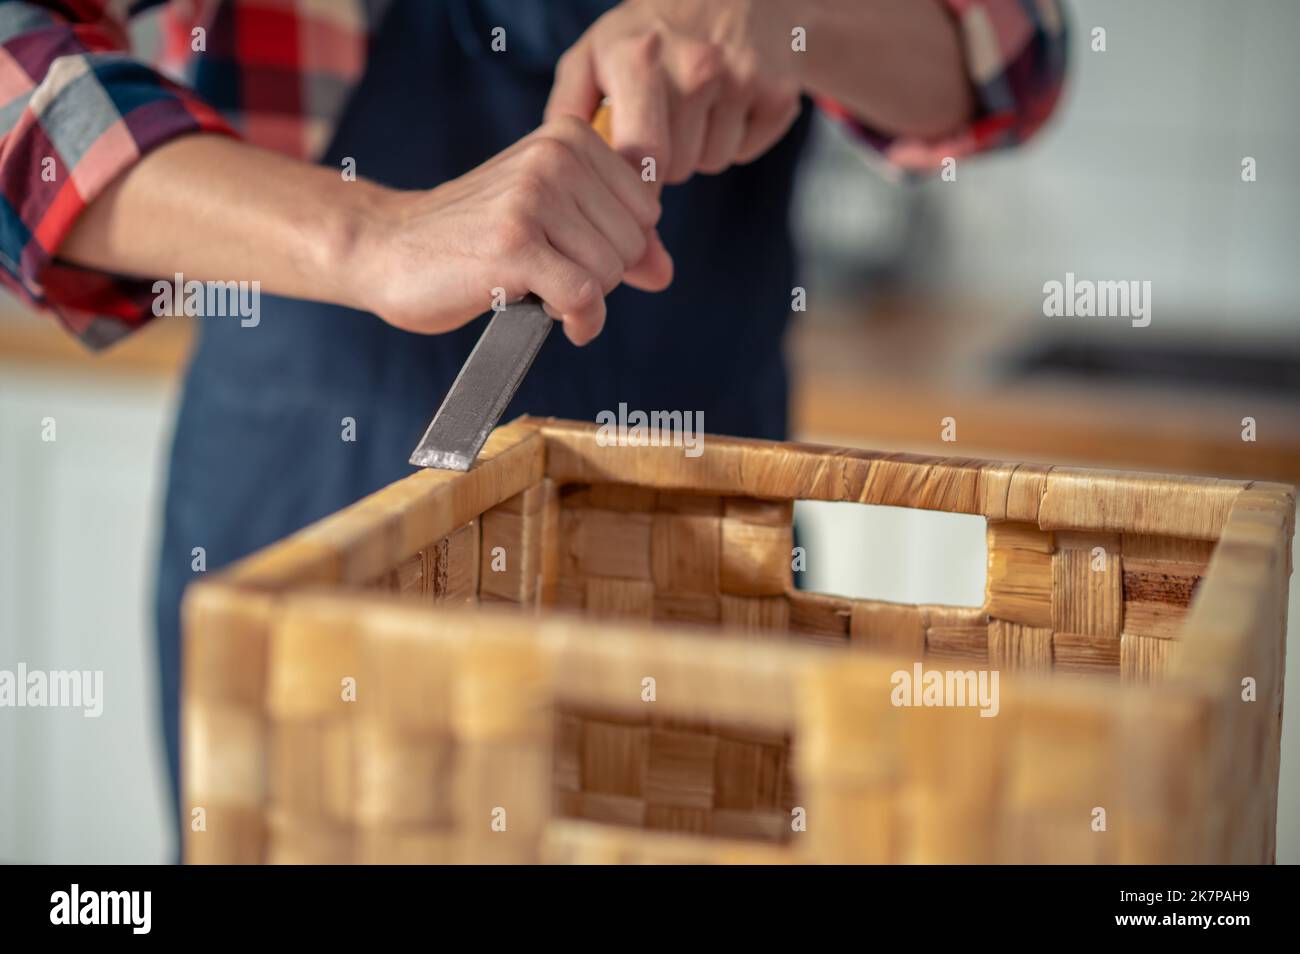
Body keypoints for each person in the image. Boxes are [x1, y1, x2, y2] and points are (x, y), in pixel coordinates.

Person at [0, 0, 1066, 834]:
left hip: (700, 517)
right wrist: (366, 235)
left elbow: (1013, 51)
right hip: (299, 466)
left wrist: (775, 21)